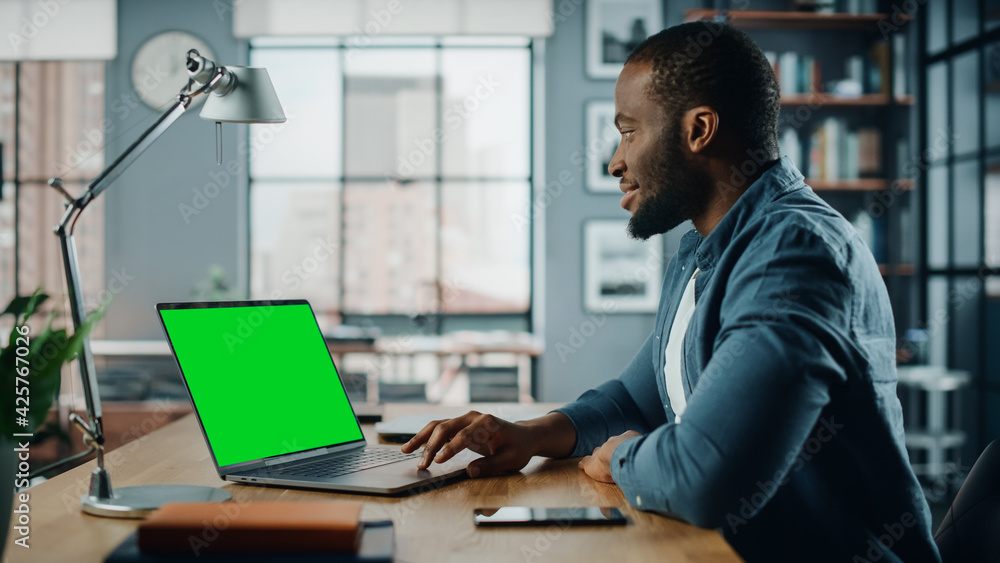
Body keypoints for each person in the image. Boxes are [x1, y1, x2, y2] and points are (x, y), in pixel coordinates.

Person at [401, 22, 940, 563]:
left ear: (699, 129)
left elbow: (706, 479)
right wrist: (527, 436)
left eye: (629, 131)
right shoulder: (704, 248)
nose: (616, 161)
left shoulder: (793, 254)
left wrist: (623, 459)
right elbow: (637, 398)